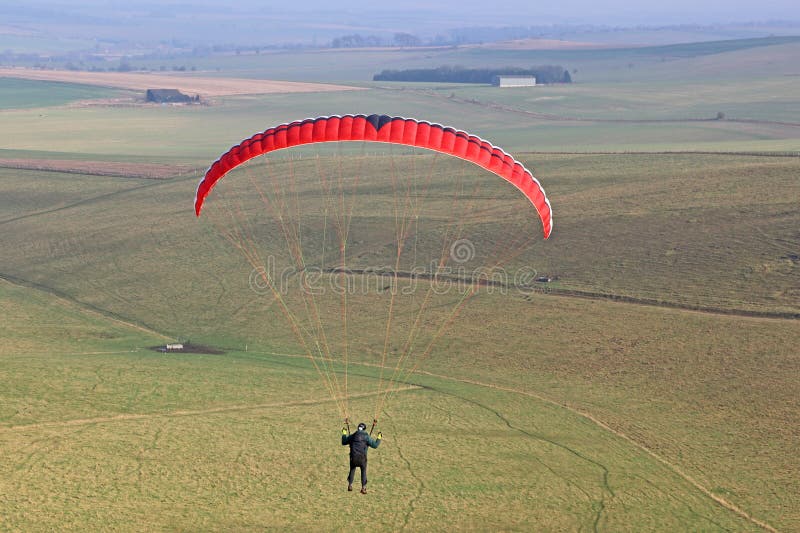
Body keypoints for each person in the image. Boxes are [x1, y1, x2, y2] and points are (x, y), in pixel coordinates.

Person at [341, 422, 381, 494]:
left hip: (353, 458)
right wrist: (379, 438)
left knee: (352, 469)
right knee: (363, 471)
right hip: (362, 459)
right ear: (364, 429)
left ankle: (350, 485)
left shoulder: (353, 435)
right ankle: (363, 488)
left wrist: (344, 433)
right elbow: (375, 445)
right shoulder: (366, 437)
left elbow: (344, 442)